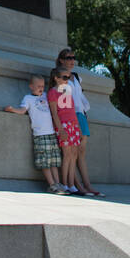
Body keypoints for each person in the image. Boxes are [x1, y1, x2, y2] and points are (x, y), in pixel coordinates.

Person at [56, 47, 103, 196]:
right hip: (69, 115)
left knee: (81, 151)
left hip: (81, 114)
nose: (72, 61)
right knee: (72, 151)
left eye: (73, 58)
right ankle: (75, 185)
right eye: (68, 58)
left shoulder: (76, 77)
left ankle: (87, 184)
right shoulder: (59, 76)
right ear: (61, 60)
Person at [4, 74, 63, 193]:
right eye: (38, 86)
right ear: (31, 86)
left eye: (43, 86)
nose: (41, 88)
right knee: (45, 162)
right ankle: (52, 185)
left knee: (54, 161)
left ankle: (58, 183)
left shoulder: (46, 96)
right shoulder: (28, 99)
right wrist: (12, 110)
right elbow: (23, 110)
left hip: (51, 133)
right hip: (40, 134)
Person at [47, 67, 83, 195]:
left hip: (73, 123)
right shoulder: (52, 92)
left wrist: (77, 125)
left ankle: (72, 184)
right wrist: (60, 129)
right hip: (63, 125)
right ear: (56, 78)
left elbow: (72, 109)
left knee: (74, 154)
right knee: (67, 154)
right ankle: (65, 183)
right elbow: (55, 113)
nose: (67, 80)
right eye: (64, 77)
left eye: (68, 77)